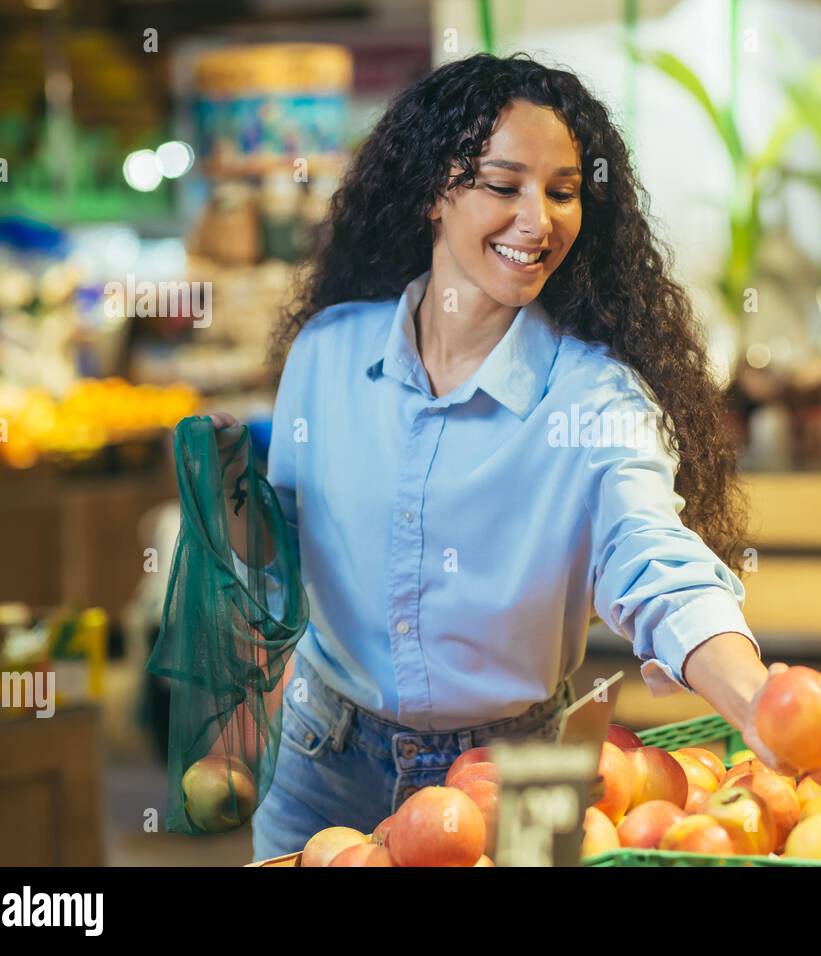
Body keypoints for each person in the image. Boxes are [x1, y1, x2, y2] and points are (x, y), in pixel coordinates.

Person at [218, 52, 791, 862]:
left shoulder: (597, 400)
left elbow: (656, 563)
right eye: (503, 185)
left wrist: (760, 701)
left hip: (510, 777)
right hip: (319, 762)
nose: (539, 219)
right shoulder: (328, 353)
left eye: (562, 192)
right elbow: (285, 553)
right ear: (431, 192)